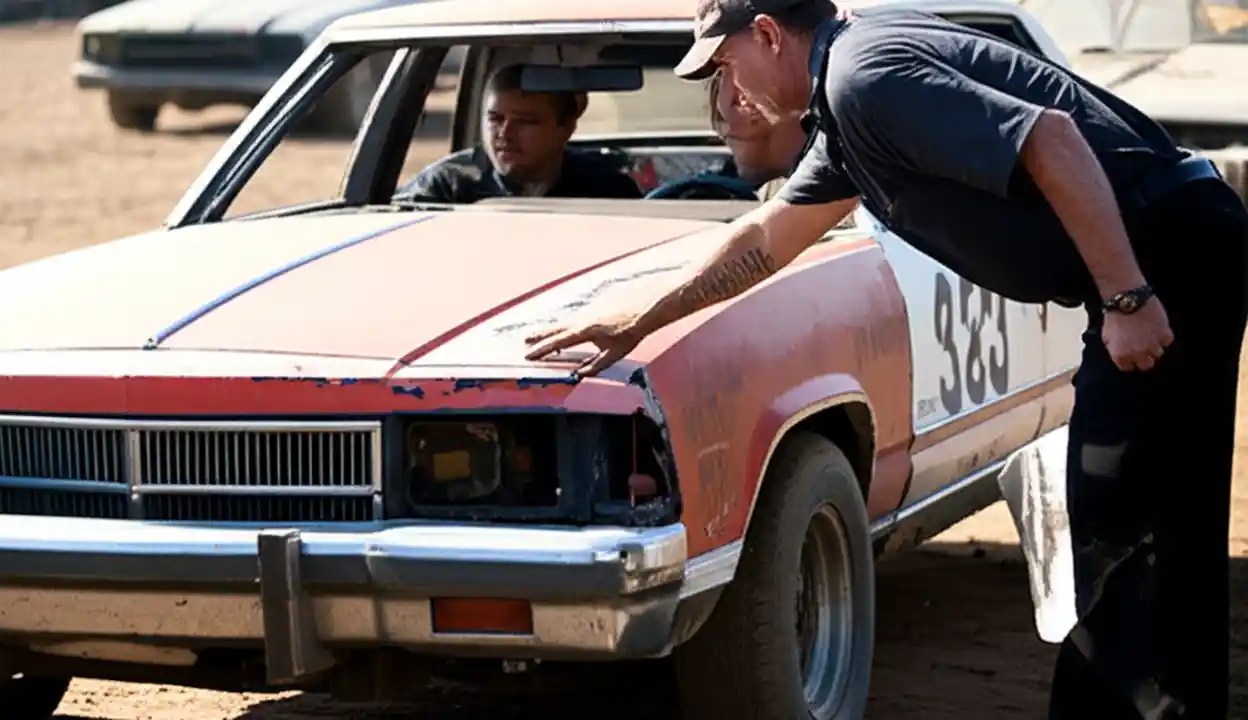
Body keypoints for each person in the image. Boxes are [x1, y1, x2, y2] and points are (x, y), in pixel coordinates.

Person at [524, 0, 1248, 717]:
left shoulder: (864, 77)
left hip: (1163, 256)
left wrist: (1126, 296)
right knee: (1147, 532)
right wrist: (639, 318)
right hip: (1169, 252)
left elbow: (1050, 140)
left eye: (725, 62)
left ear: (769, 35)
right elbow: (766, 240)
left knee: (1126, 537)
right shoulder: (850, 105)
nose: (728, 87)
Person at [394, 64, 642, 204]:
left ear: (565, 128)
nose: (505, 133)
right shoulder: (444, 189)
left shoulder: (607, 192)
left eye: (525, 122)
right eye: (495, 119)